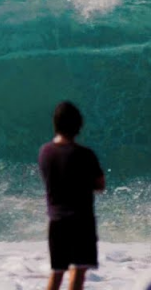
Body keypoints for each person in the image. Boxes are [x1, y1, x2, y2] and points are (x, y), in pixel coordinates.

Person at [38, 101, 106, 290]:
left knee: (57, 271)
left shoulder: (45, 152)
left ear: (55, 124)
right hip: (81, 220)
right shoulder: (84, 154)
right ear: (78, 125)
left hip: (56, 220)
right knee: (78, 271)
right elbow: (100, 185)